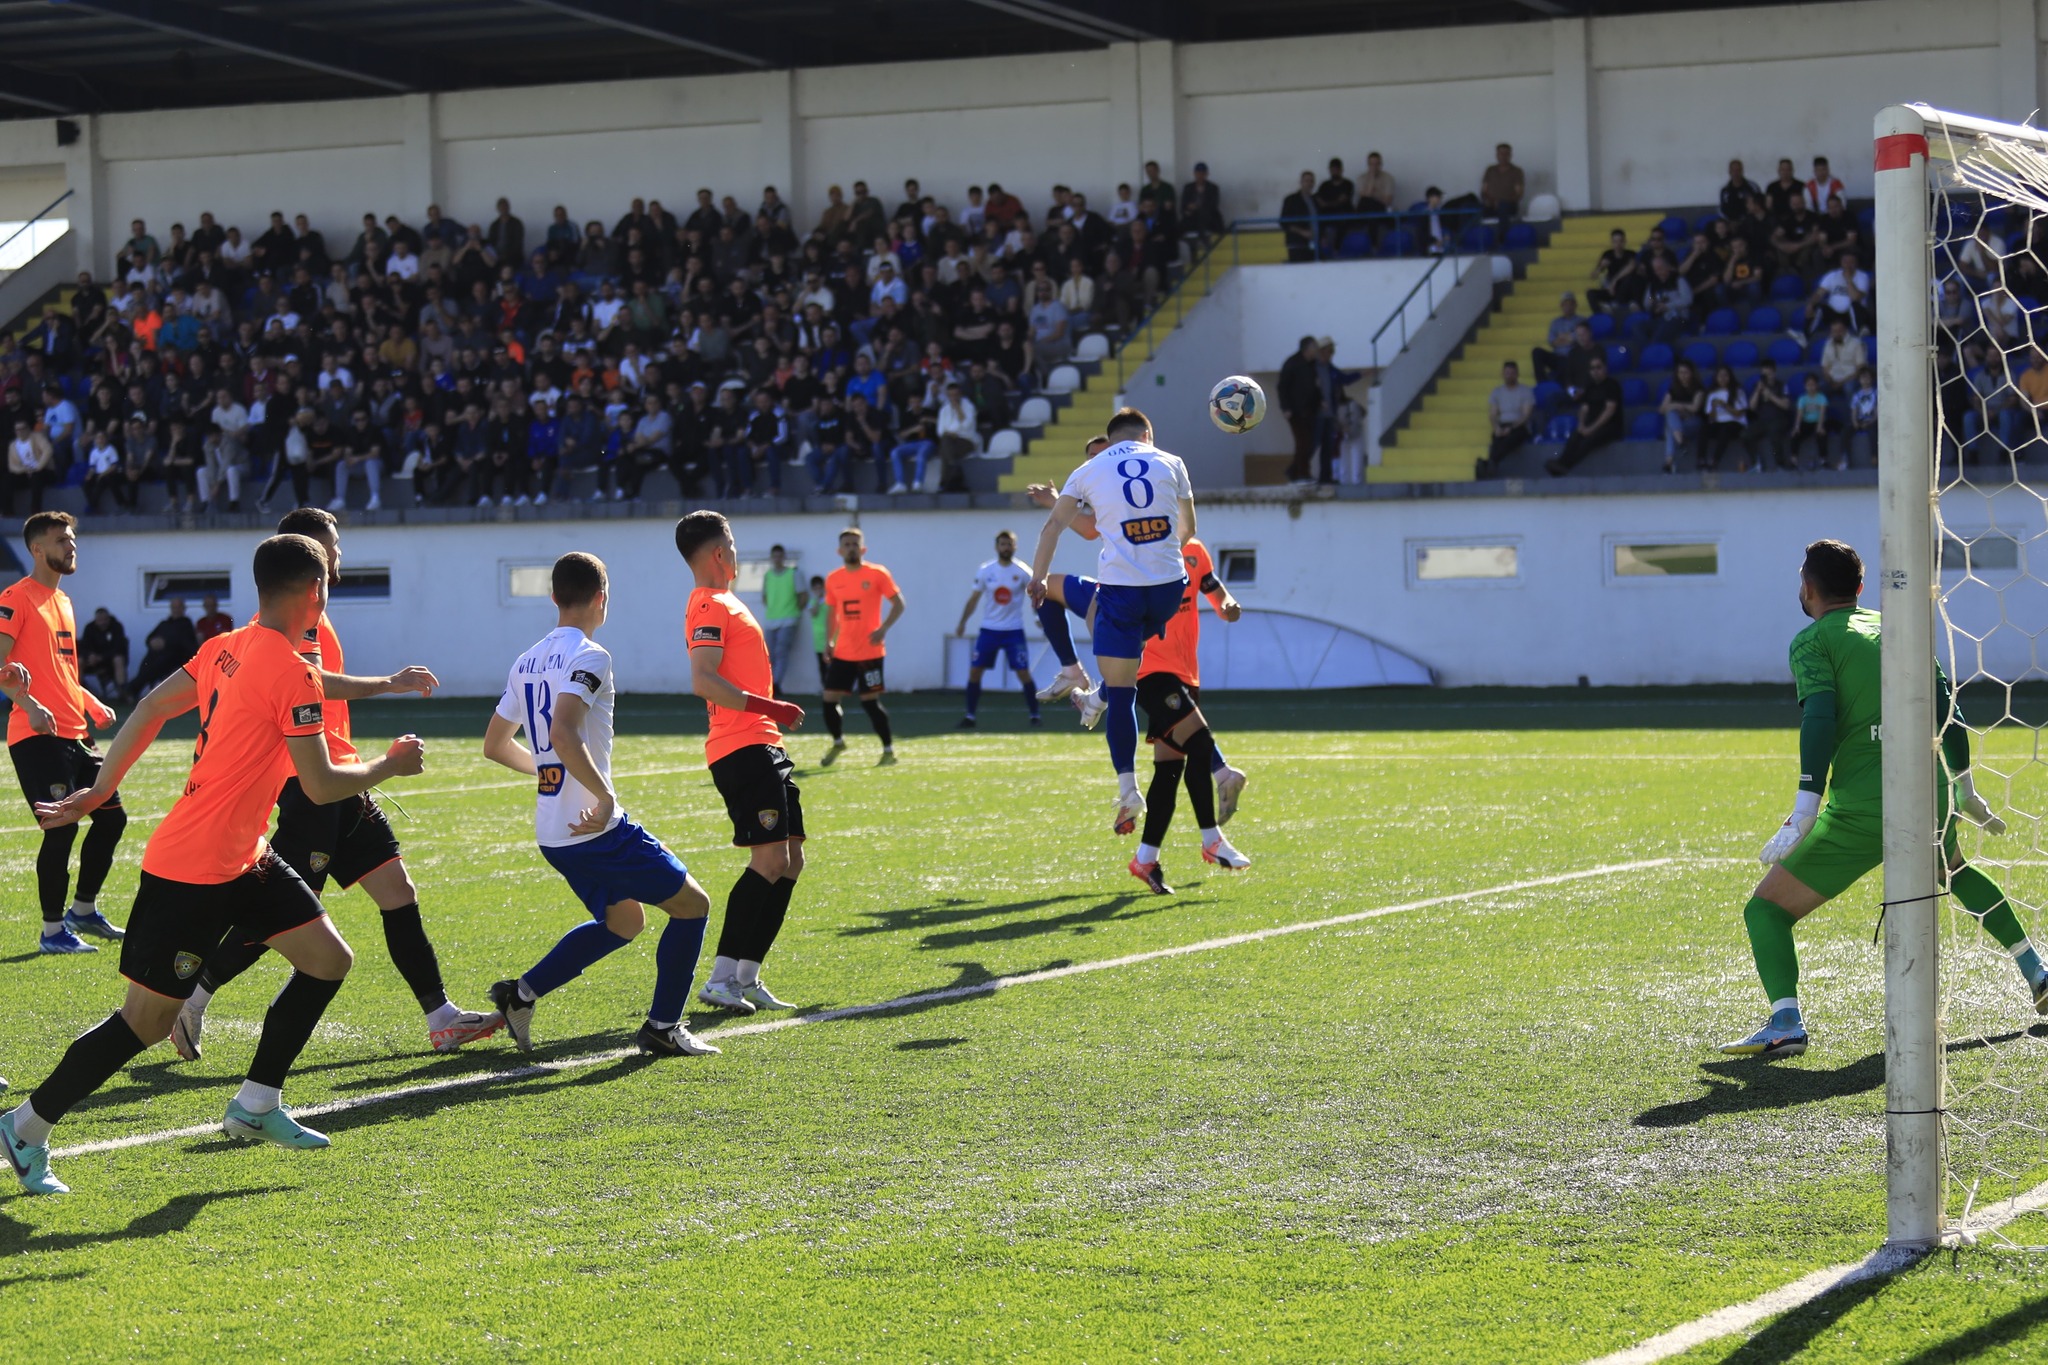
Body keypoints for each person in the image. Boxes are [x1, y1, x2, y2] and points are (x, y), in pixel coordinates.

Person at [2, 534, 428, 1195]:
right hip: (192, 869)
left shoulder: (225, 647)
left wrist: (100, 785)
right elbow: (320, 785)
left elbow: (148, 706)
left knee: (327, 959)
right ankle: (26, 1125)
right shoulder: (290, 668)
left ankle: (256, 1102)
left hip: (244, 858)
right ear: (314, 594)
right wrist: (390, 765)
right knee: (141, 1022)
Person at [172, 509, 498, 1061]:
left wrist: (386, 688)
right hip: (311, 786)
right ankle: (193, 998)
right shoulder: (290, 622)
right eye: (329, 547)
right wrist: (389, 685)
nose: (337, 555)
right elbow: (311, 688)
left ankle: (441, 1017)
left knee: (398, 893)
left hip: (343, 783)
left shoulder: (312, 620)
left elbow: (318, 684)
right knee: (284, 915)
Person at [1719, 539, 2044, 1060]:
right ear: (1861, 587)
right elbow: (1949, 714)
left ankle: (1785, 1022)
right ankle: (2038, 971)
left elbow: (1819, 718)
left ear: (1807, 587)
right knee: (1954, 870)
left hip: (1865, 810)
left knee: (1765, 910)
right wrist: (1965, 788)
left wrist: (1805, 808)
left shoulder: (1813, 641)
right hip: (1930, 788)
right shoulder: (1901, 627)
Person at [481, 552, 718, 1059]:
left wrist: (548, 771)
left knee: (625, 922)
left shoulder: (525, 659)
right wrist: (603, 795)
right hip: (596, 829)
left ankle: (518, 995)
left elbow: (495, 745)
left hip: (554, 832)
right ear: (602, 598)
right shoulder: (592, 654)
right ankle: (663, 1026)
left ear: (553, 598)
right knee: (693, 906)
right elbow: (564, 730)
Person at [1028, 407, 1193, 836]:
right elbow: (1187, 530)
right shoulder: (1171, 461)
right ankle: (1091, 692)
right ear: (1147, 434)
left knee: (1123, 691)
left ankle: (1127, 787)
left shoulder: (1087, 471)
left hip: (1120, 592)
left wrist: (1038, 578)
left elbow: (1054, 527)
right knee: (1125, 662)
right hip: (1168, 589)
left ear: (1111, 438)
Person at [676, 512, 808, 1015]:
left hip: (764, 745)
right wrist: (771, 706)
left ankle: (747, 976)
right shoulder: (709, 603)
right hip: (742, 747)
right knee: (769, 861)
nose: (737, 554)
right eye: (731, 545)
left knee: (790, 860)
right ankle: (720, 978)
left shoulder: (727, 602)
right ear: (718, 553)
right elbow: (703, 679)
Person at [0, 513, 127, 953]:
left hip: (75, 733)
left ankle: (84, 910)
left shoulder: (65, 602)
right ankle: (53, 931)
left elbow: (63, 670)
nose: (71, 546)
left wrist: (90, 703)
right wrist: (30, 706)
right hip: (36, 737)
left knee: (112, 818)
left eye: (72, 538)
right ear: (37, 550)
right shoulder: (16, 598)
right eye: (61, 540)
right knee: (61, 827)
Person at [820, 527, 905, 766]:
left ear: (863, 548)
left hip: (870, 651)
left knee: (869, 702)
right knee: (828, 699)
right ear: (839, 550)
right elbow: (832, 612)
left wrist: (883, 629)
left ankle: (888, 750)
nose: (851, 548)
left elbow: (899, 603)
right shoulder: (833, 578)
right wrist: (830, 641)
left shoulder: (877, 574)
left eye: (855, 544)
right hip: (843, 652)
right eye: (846, 544)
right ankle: (838, 741)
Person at [954, 529, 1042, 729]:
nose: (1006, 547)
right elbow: (974, 599)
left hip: (1013, 631)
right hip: (989, 630)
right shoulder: (986, 570)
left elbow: (1035, 595)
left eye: (1009, 544)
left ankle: (1034, 714)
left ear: (1015, 547)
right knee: (975, 671)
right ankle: (970, 715)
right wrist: (962, 622)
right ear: (996, 547)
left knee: (1023, 673)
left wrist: (1038, 617)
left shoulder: (1022, 572)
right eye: (1002, 544)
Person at [1544, 356, 1623, 477]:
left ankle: (1565, 466)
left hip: (1611, 427)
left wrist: (1591, 429)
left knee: (1589, 441)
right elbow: (1584, 408)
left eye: (1598, 367)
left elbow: (1609, 410)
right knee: (1575, 437)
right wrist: (1581, 425)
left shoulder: (1612, 385)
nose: (1595, 371)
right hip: (1591, 425)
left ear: (1605, 368)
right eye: (1592, 368)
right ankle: (1560, 462)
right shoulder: (1590, 387)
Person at [759, 544, 806, 699]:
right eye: (775, 556)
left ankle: (776, 684)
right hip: (771, 619)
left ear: (784, 557)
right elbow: (764, 597)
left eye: (780, 556)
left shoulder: (793, 573)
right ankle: (769, 684)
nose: (777, 559)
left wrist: (795, 613)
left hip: (789, 619)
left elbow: (803, 596)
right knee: (769, 654)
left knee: (781, 651)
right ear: (771, 558)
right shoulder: (768, 575)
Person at [1484, 360, 1535, 478]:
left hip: (1519, 426)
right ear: (1503, 374)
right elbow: (1493, 414)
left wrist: (1511, 428)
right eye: (1507, 373)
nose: (1510, 376)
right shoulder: (1497, 392)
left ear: (1517, 374)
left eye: (1512, 373)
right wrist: (1496, 427)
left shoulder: (1525, 391)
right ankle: (1492, 465)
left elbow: (1526, 415)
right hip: (1503, 424)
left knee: (1510, 438)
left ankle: (1491, 462)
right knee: (1496, 438)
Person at [77, 606, 128, 703]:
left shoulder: (116, 627)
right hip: (93, 661)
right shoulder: (89, 628)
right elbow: (84, 645)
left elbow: (119, 647)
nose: (102, 622)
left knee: (119, 659)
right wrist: (90, 656)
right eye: (99, 620)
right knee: (79, 661)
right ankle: (78, 690)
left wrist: (102, 657)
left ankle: (122, 692)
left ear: (108, 618)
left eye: (105, 619)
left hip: (110, 661)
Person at [1481, 143, 1524, 220]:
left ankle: (1502, 232)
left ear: (1510, 155)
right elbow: (1484, 190)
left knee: (1503, 208)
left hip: (1508, 206)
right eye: (1501, 153)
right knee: (1470, 207)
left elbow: (1519, 194)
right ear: (1497, 155)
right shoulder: (1490, 170)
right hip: (1491, 205)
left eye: (1506, 154)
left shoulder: (1516, 171)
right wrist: (1491, 201)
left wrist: (1502, 202)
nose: (1503, 156)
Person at [805, 573, 829, 694]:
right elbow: (813, 613)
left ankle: (835, 687)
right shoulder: (812, 602)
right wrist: (818, 601)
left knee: (834, 665)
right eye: (816, 588)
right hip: (819, 640)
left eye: (820, 587)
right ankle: (825, 687)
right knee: (822, 666)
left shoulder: (830, 601)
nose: (818, 590)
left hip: (831, 638)